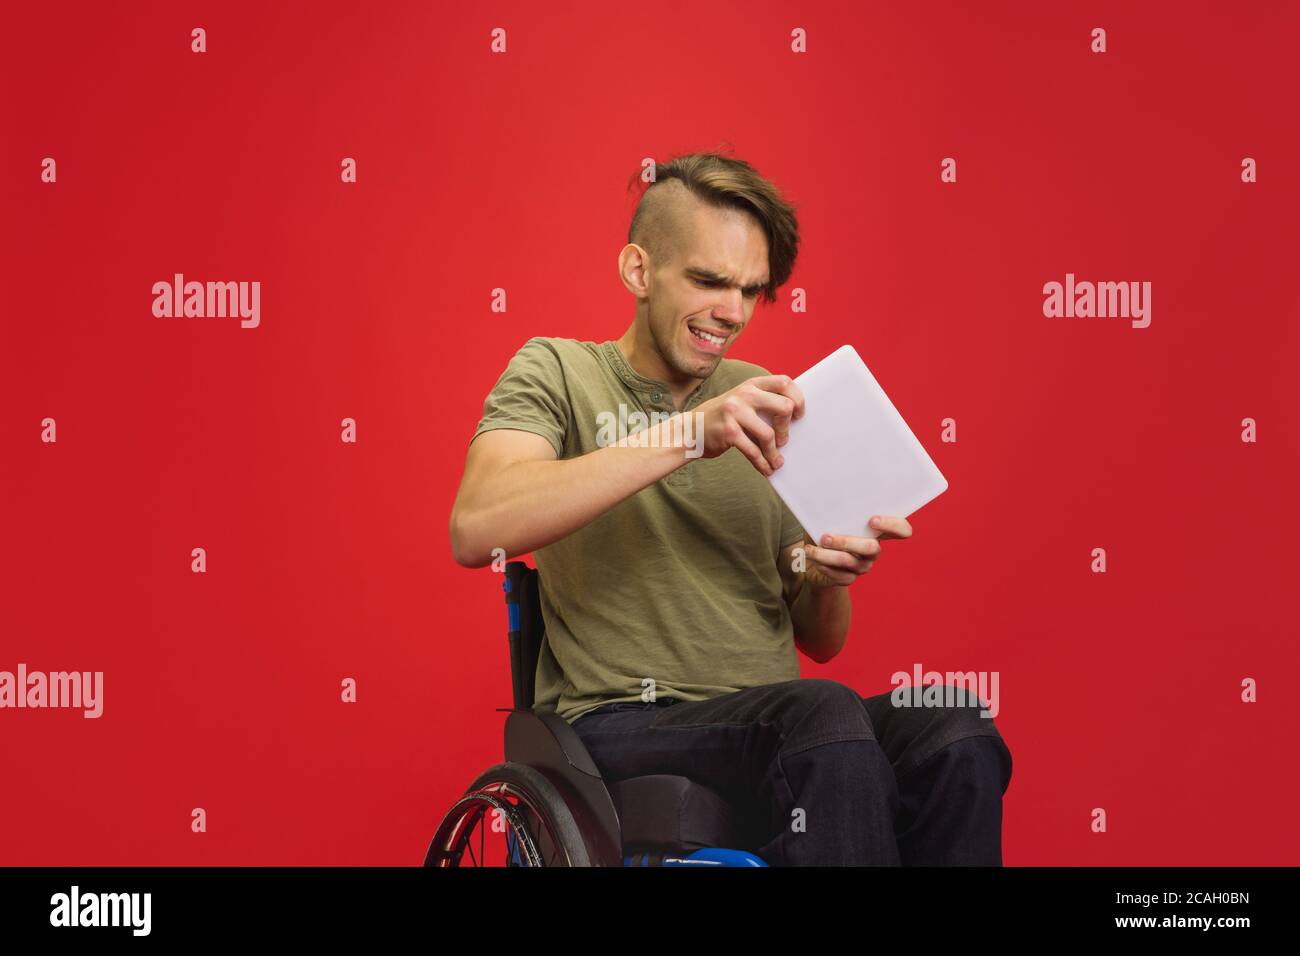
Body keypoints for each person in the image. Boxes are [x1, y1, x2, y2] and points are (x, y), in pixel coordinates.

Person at [449, 150, 1012, 865]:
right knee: (821, 716)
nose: (732, 313)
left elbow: (820, 637)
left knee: (957, 726)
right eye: (710, 281)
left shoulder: (764, 397)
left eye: (750, 290)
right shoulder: (560, 372)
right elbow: (476, 526)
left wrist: (826, 573)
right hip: (618, 722)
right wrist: (689, 434)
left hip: (776, 723)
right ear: (639, 271)